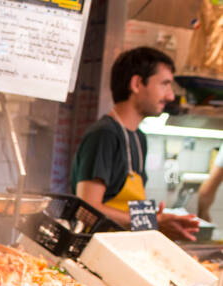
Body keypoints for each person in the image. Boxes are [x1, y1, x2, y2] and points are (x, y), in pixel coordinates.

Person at [71, 46, 198, 241]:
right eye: (164, 84)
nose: (171, 96)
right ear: (137, 84)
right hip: (92, 251)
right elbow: (87, 208)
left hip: (122, 247)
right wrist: (153, 222)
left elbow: (128, 210)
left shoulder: (139, 138)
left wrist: (157, 218)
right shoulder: (104, 135)